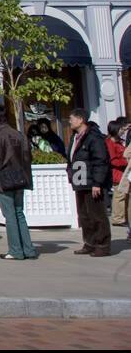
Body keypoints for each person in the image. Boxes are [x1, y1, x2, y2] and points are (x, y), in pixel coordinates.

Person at [0, 103, 37, 260]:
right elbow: (28, 156)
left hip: (4, 177)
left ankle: (15, 250)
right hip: (20, 176)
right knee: (19, 213)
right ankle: (28, 249)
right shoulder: (19, 134)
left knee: (10, 215)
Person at [67, 109, 112, 257]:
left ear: (81, 120)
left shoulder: (93, 137)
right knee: (84, 215)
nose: (70, 121)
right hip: (80, 181)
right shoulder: (75, 137)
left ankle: (102, 244)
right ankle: (89, 242)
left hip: (91, 182)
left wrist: (97, 183)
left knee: (97, 214)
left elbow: (101, 161)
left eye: (72, 118)